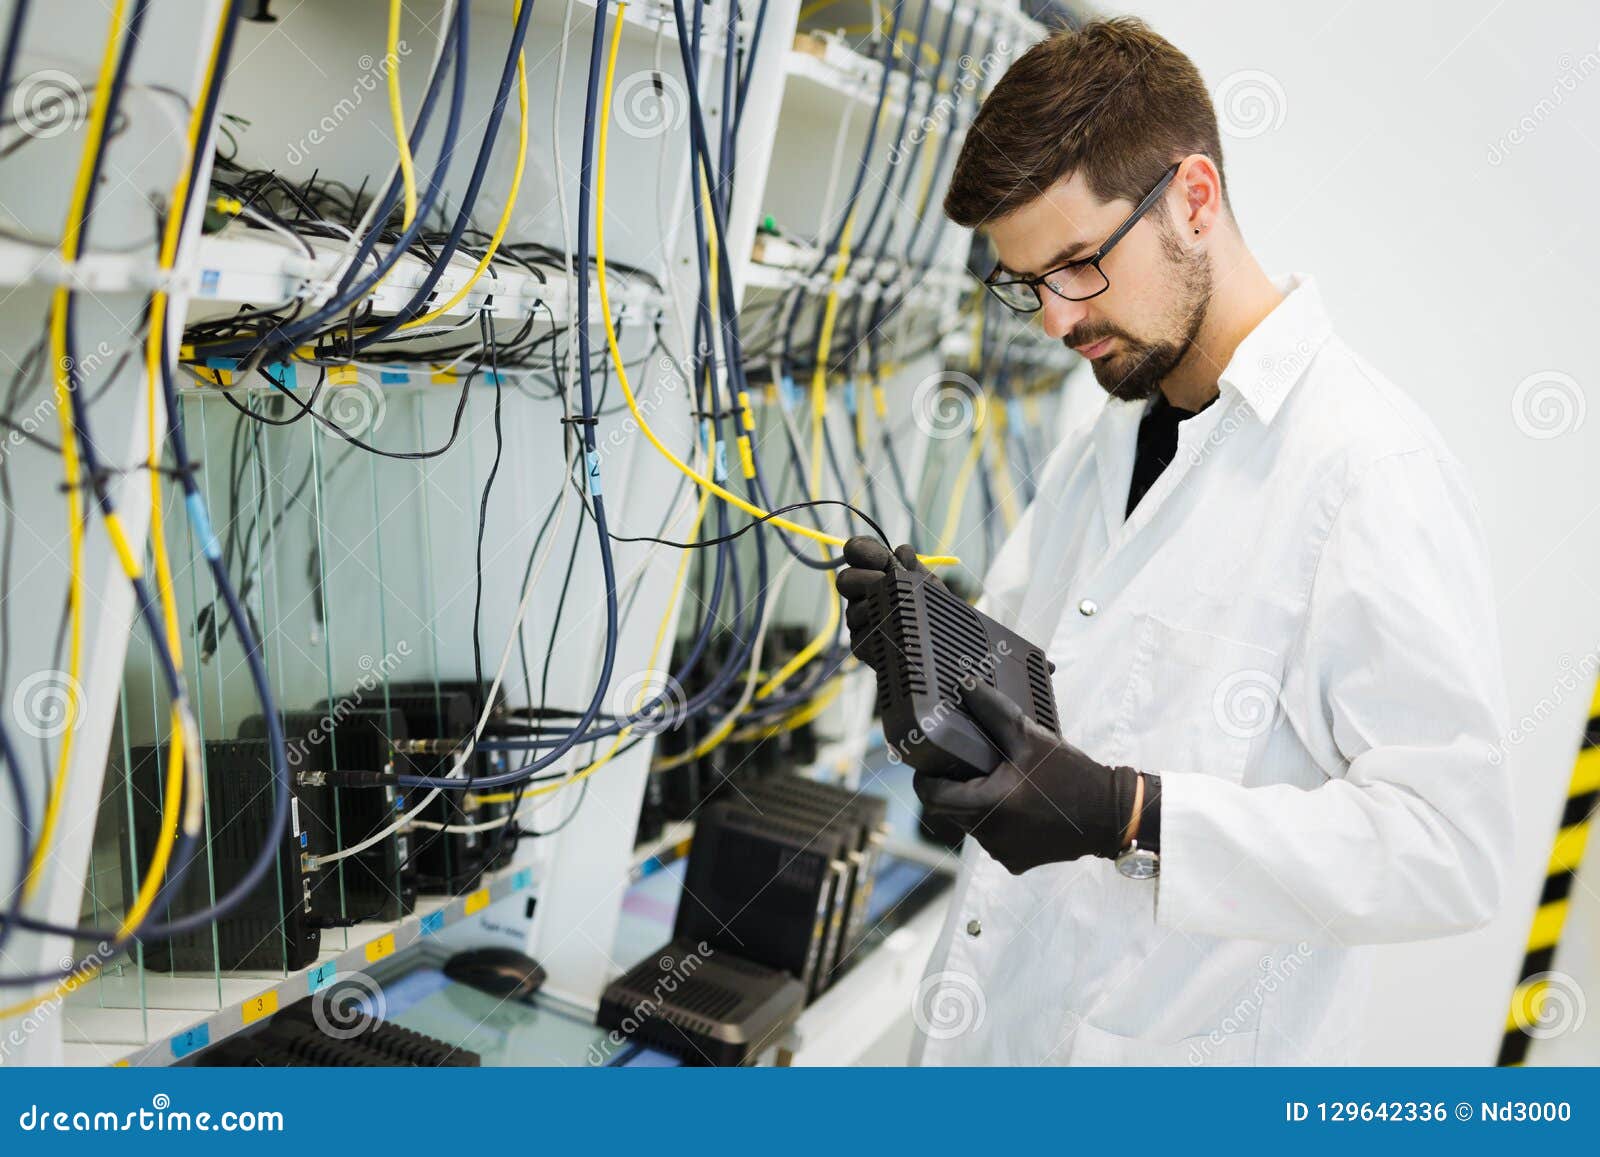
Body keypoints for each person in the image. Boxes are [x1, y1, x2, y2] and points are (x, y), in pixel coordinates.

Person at [837, 17, 1510, 1065]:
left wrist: (1134, 814)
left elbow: (1449, 849)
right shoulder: (1109, 437)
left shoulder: (1366, 471)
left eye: (1076, 265)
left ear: (1194, 200)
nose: (1055, 322)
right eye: (1026, 285)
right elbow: (1054, 707)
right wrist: (927, 650)